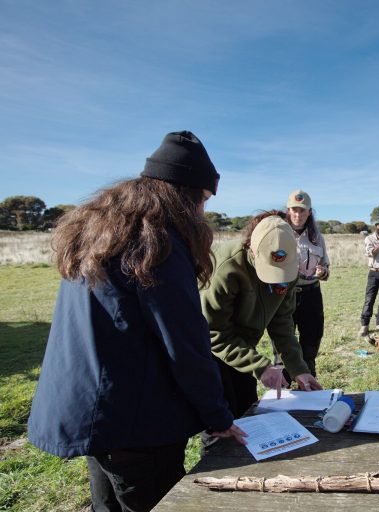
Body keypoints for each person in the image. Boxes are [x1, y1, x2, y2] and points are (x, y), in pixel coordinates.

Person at [27, 131, 246, 512]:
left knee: (107, 504)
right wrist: (217, 415)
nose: (202, 212)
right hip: (136, 419)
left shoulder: (101, 232)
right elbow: (185, 341)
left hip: (94, 410)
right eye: (204, 199)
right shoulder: (156, 242)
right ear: (185, 192)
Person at [200, 211, 323, 423]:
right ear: (252, 251)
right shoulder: (226, 268)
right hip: (210, 353)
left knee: (248, 412)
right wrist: (260, 366)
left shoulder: (290, 269)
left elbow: (282, 322)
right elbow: (213, 332)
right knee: (220, 422)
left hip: (244, 347)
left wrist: (298, 370)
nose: (276, 283)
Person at [284, 189, 330, 376]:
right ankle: (284, 386)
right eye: (294, 210)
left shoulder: (317, 237)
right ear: (288, 210)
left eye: (302, 210)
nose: (298, 214)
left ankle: (309, 380)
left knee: (311, 340)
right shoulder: (279, 234)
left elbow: (325, 266)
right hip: (285, 295)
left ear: (309, 212)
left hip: (311, 294)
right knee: (283, 341)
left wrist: (323, 271)